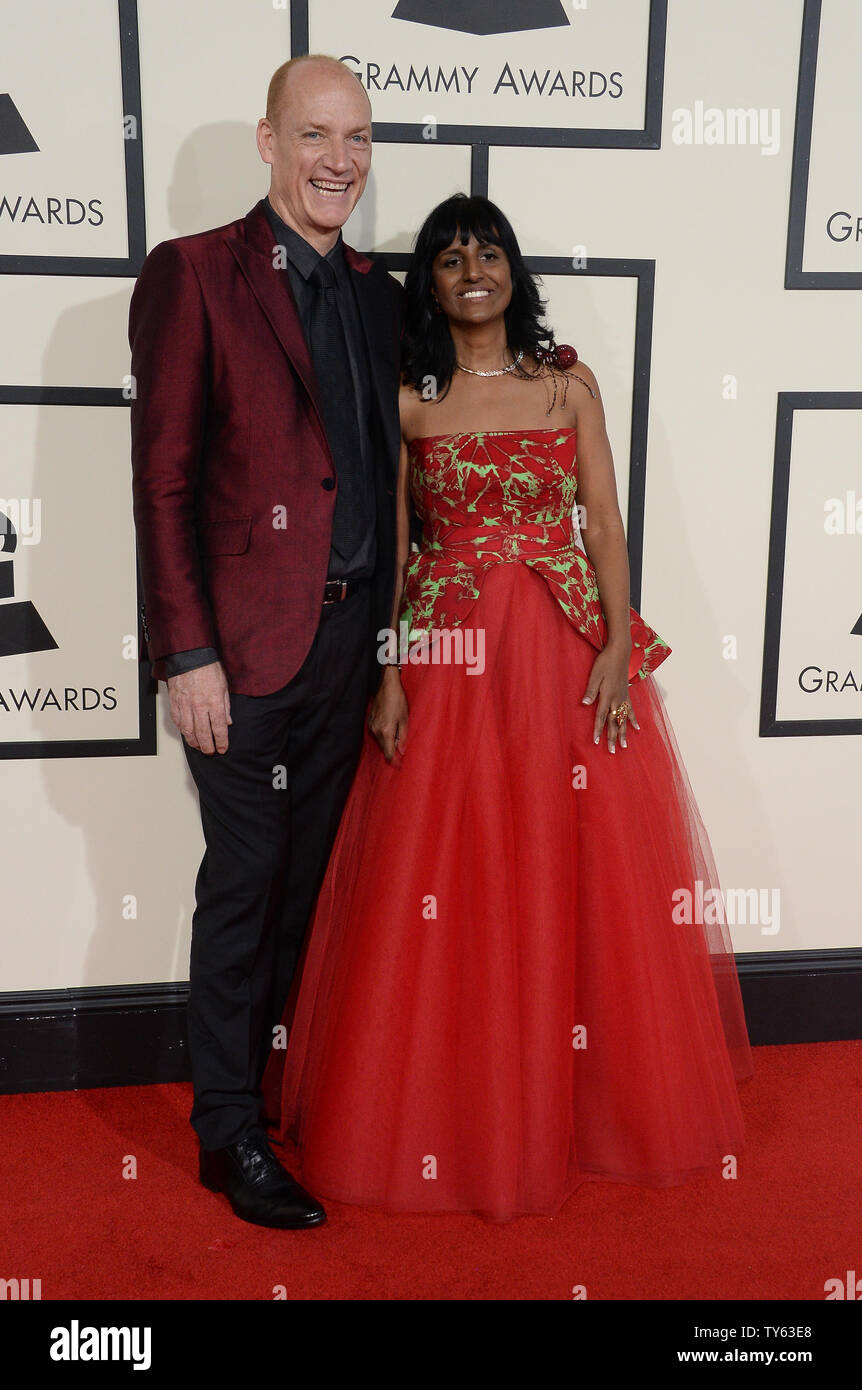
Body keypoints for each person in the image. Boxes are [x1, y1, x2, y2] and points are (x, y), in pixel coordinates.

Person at [261, 193, 753, 1223]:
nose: (469, 270)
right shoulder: (408, 400)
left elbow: (606, 525)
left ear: (513, 271)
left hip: (566, 652)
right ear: (429, 285)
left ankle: (593, 1108)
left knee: (584, 873)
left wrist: (619, 644)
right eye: (446, 259)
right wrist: (391, 673)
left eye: (486, 253)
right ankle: (456, 1107)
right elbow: (396, 552)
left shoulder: (568, 387)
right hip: (448, 657)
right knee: (451, 873)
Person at [129, 55, 402, 1228]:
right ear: (268, 140)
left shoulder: (377, 295)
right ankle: (227, 1131)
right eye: (315, 135)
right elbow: (163, 482)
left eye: (356, 138)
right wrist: (186, 657)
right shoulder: (193, 275)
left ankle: (287, 1097)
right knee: (243, 885)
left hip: (350, 649)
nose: (337, 159)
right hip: (239, 655)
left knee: (313, 889)